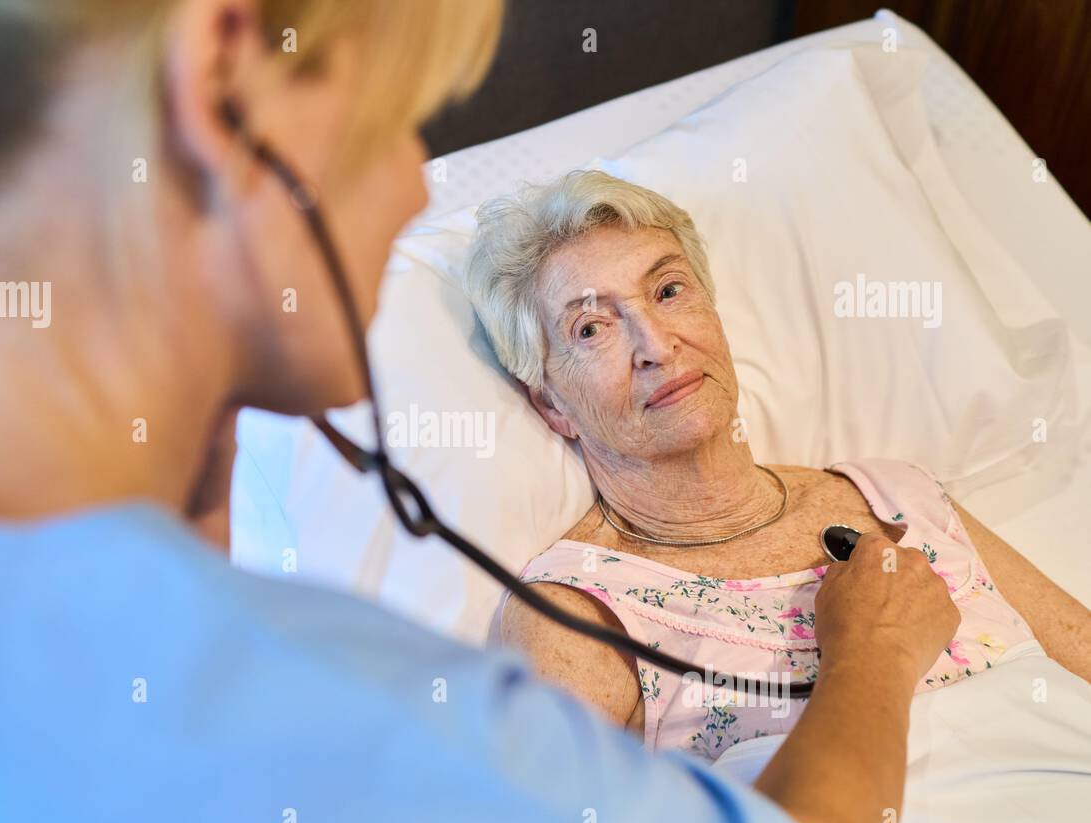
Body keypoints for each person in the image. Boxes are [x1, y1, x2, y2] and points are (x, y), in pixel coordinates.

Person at [0, 0, 954, 823]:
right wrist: (873, 652)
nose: (412, 188)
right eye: (402, 123)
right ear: (225, 80)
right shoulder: (364, 724)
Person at [463, 170, 1091, 756]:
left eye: (669, 290)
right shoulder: (578, 614)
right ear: (552, 404)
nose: (656, 345)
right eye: (592, 328)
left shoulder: (899, 495)